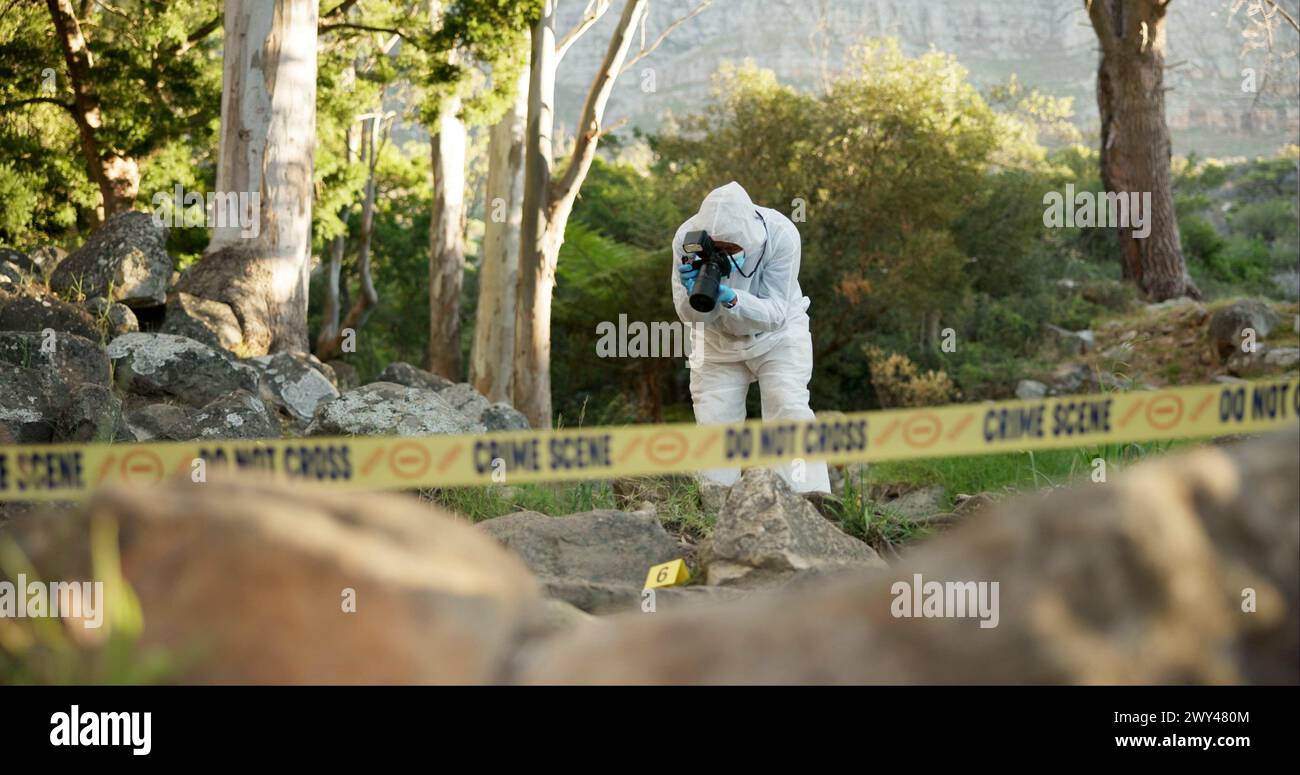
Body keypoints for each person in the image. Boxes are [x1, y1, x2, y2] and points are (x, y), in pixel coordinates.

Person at [671, 181, 831, 498]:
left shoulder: (782, 234)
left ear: (749, 241)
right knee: (715, 423)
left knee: (788, 407)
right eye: (715, 249)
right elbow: (686, 315)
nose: (721, 256)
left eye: (730, 250)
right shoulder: (686, 240)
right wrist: (694, 296)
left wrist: (731, 299)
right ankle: (718, 515)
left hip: (778, 335)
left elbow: (774, 313)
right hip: (715, 342)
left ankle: (811, 503)